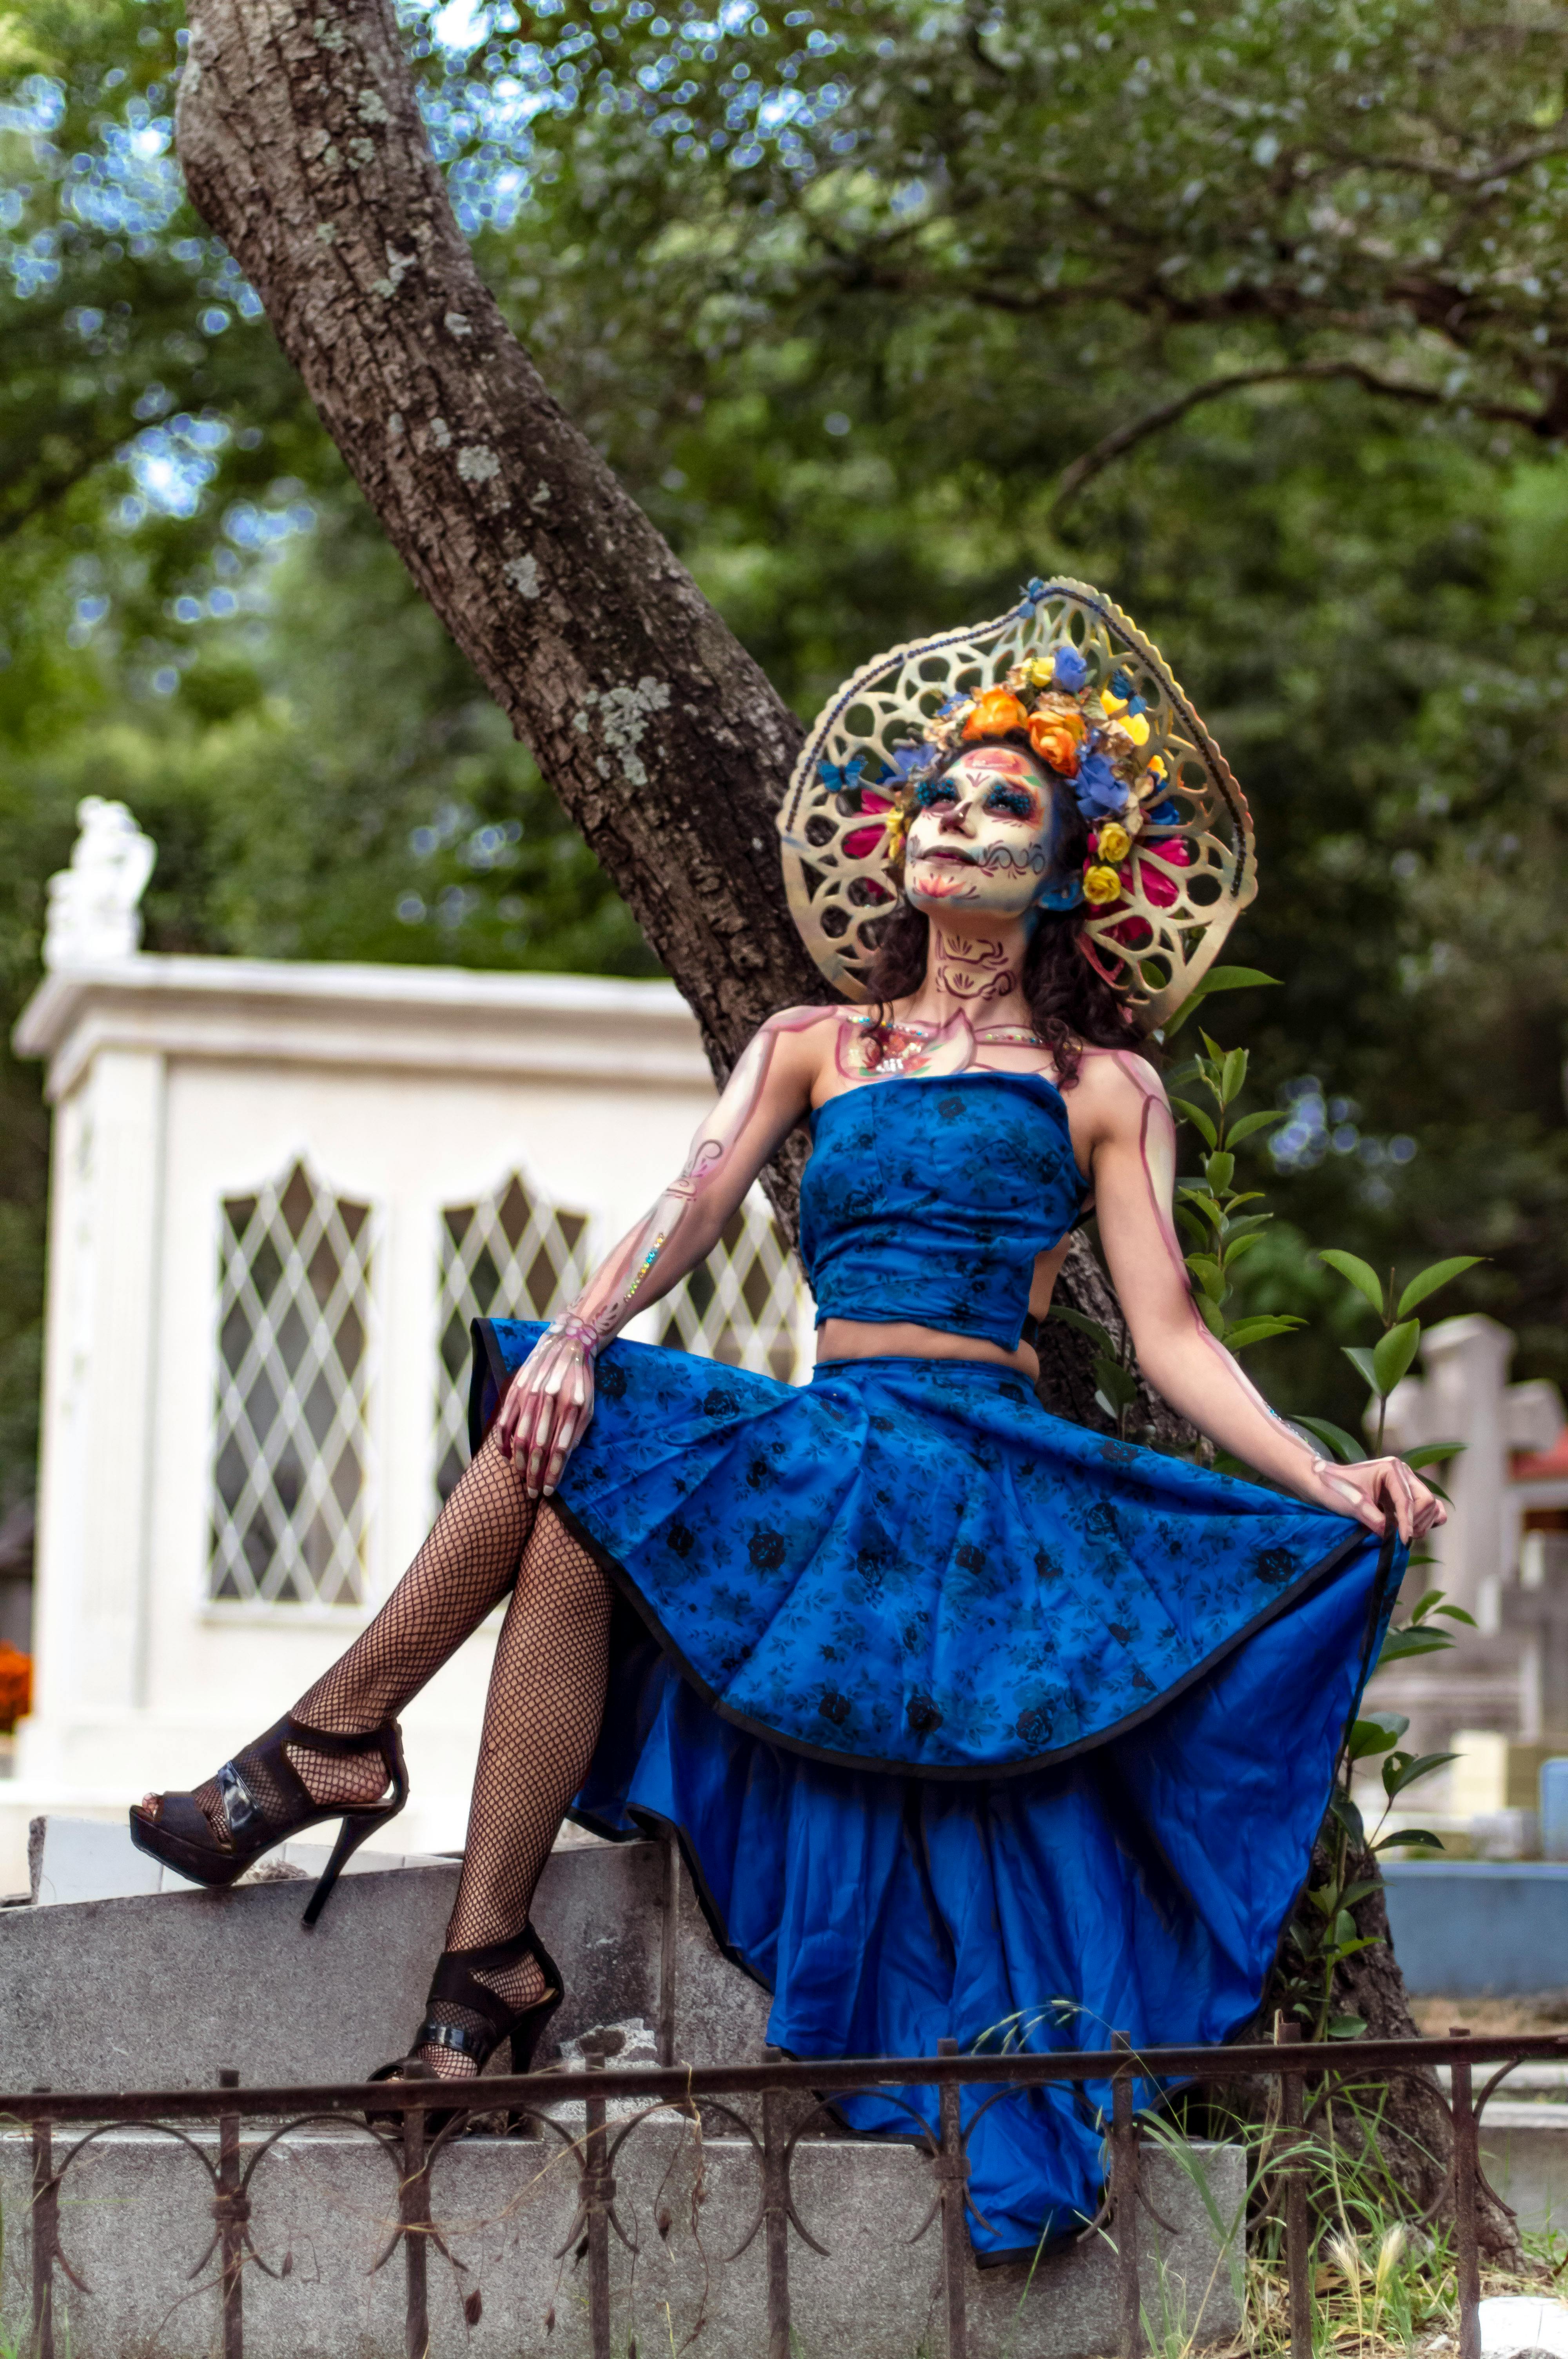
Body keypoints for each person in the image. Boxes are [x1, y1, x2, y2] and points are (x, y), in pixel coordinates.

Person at [131, 580, 1443, 2254]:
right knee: (566, 1464)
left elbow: (1170, 1331)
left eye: (1003, 806)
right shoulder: (812, 1044)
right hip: (836, 1442)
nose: (955, 823)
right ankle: (446, 1899)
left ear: (1059, 875)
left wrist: (1322, 1468)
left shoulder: (1098, 1088)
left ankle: (375, 1812)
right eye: (941, 799)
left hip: (976, 1467)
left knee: (578, 1502)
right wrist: (583, 1336)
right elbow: (683, 1211)